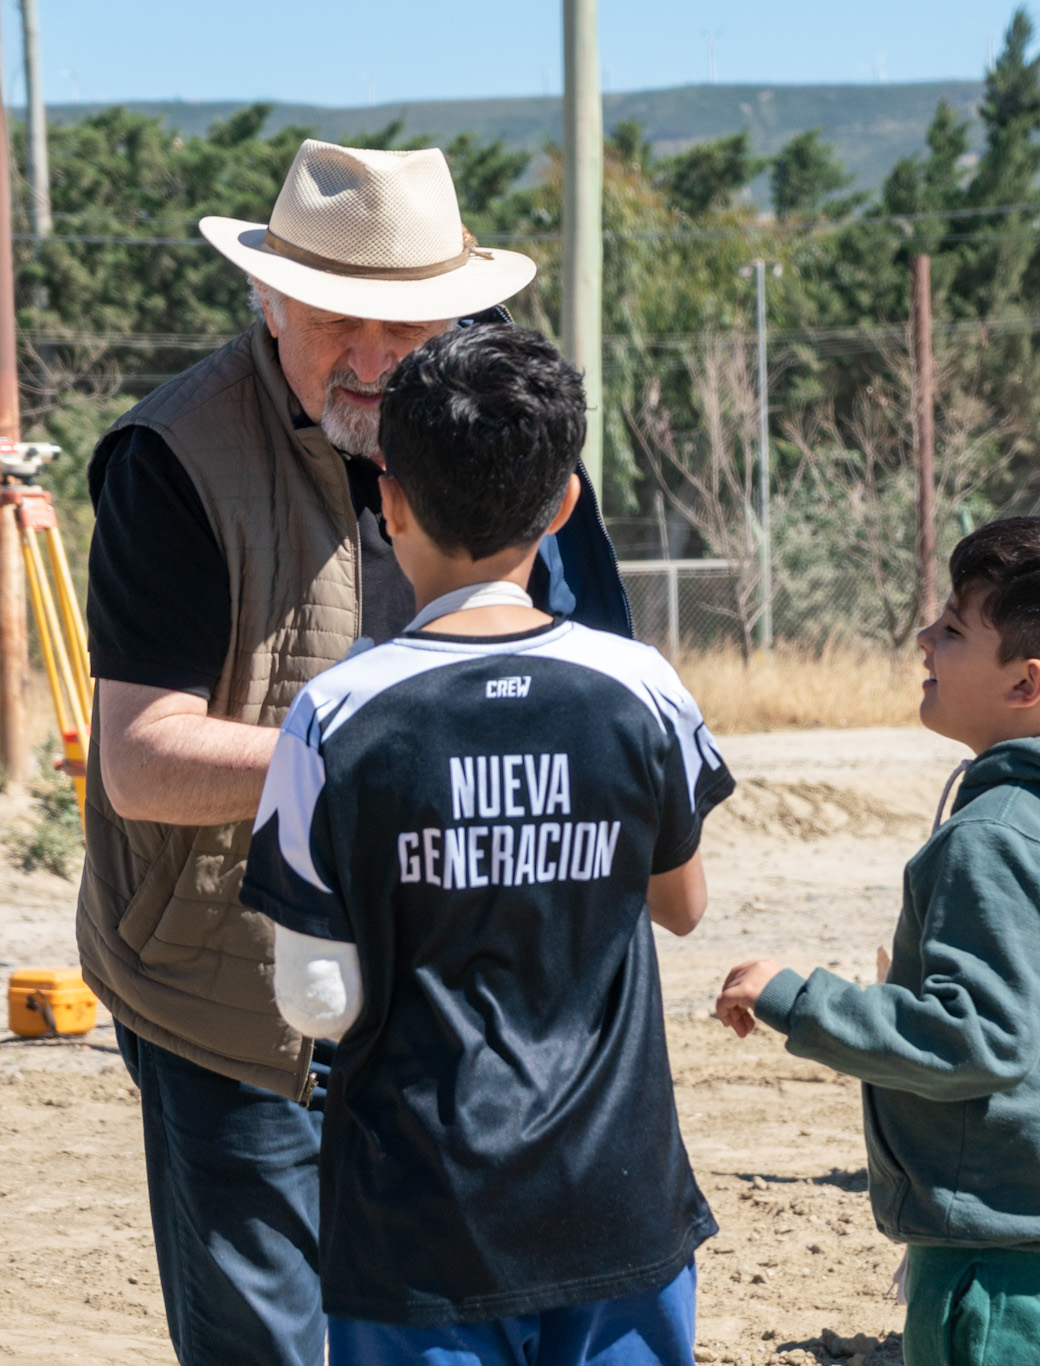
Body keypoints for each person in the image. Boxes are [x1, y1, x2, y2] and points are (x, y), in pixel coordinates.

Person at [75, 138, 634, 1363]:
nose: (377, 364)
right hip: (232, 990)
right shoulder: (171, 458)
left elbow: (599, 695)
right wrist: (369, 763)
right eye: (339, 324)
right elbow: (140, 760)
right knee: (270, 1342)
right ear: (267, 298)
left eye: (411, 330)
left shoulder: (517, 449)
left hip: (467, 1004)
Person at [238, 324, 733, 1364]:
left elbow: (312, 999)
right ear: (561, 508)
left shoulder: (331, 713)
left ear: (391, 499)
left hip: (415, 1215)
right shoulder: (641, 686)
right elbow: (682, 905)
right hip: (617, 1195)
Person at [715, 516, 1040, 1366]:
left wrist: (796, 998)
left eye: (955, 629)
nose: (924, 638)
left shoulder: (1002, 833)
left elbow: (978, 1039)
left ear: (1026, 683)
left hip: (1011, 1276)